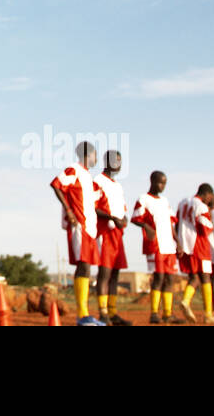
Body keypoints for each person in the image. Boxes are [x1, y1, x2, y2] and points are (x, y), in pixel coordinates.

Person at [51, 140, 104, 325]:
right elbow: (57, 185)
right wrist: (69, 211)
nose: (96, 158)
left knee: (87, 267)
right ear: (88, 154)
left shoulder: (88, 176)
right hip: (79, 225)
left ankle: (85, 314)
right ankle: (82, 315)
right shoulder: (74, 169)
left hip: (90, 227)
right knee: (84, 265)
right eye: (95, 154)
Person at [131, 170, 179, 324]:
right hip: (155, 245)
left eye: (164, 183)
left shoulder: (165, 201)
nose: (162, 186)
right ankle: (154, 313)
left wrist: (178, 242)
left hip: (169, 246)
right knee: (158, 277)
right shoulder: (143, 199)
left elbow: (171, 223)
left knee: (170, 279)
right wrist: (145, 226)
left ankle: (168, 313)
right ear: (152, 181)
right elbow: (135, 218)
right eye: (160, 182)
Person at [175, 183, 214, 324]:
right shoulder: (201, 206)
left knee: (194, 277)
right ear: (208, 194)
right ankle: (208, 315)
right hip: (198, 245)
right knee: (206, 277)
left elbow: (177, 223)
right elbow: (205, 228)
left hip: (184, 245)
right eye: (210, 197)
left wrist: (178, 242)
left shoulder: (183, 202)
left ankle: (185, 301)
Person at [92, 149, 131, 326]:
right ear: (107, 161)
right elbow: (93, 206)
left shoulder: (117, 185)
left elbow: (123, 209)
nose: (119, 164)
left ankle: (113, 312)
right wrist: (111, 218)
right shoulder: (98, 181)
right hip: (104, 232)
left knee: (115, 273)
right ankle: (103, 313)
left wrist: (123, 219)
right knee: (104, 273)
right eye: (116, 161)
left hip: (118, 234)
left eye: (121, 161)